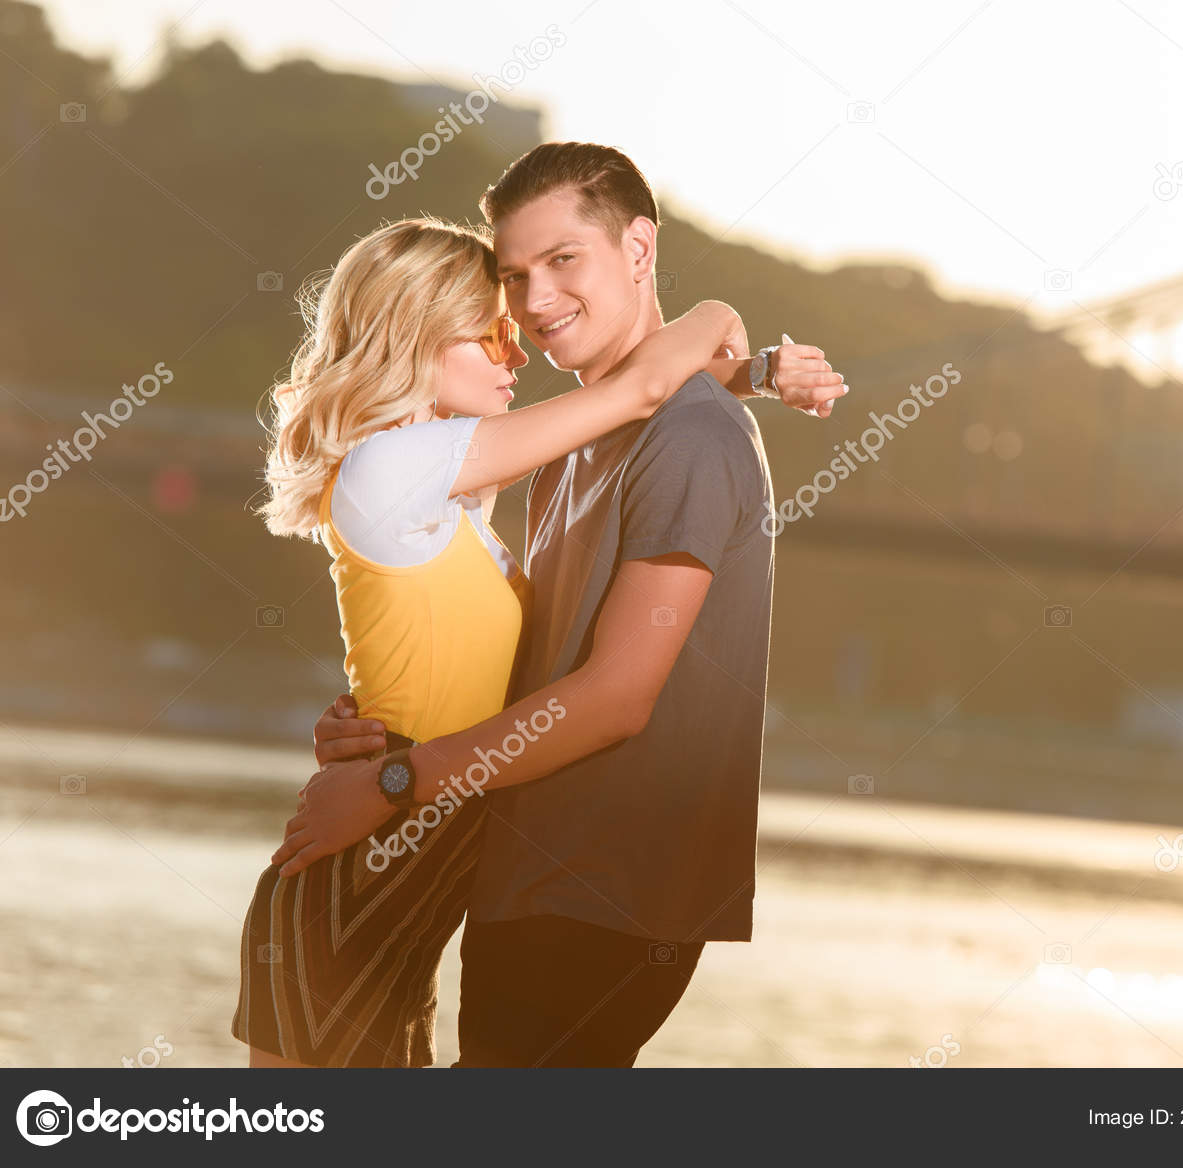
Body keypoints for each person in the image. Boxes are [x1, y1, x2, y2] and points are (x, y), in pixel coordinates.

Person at [280, 142, 847, 1067]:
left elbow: (619, 695)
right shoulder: (577, 447)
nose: (534, 302)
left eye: (563, 261)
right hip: (520, 876)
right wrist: (380, 731)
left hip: (608, 894)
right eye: (515, 277)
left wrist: (391, 781)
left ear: (638, 248)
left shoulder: (693, 439)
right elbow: (502, 655)